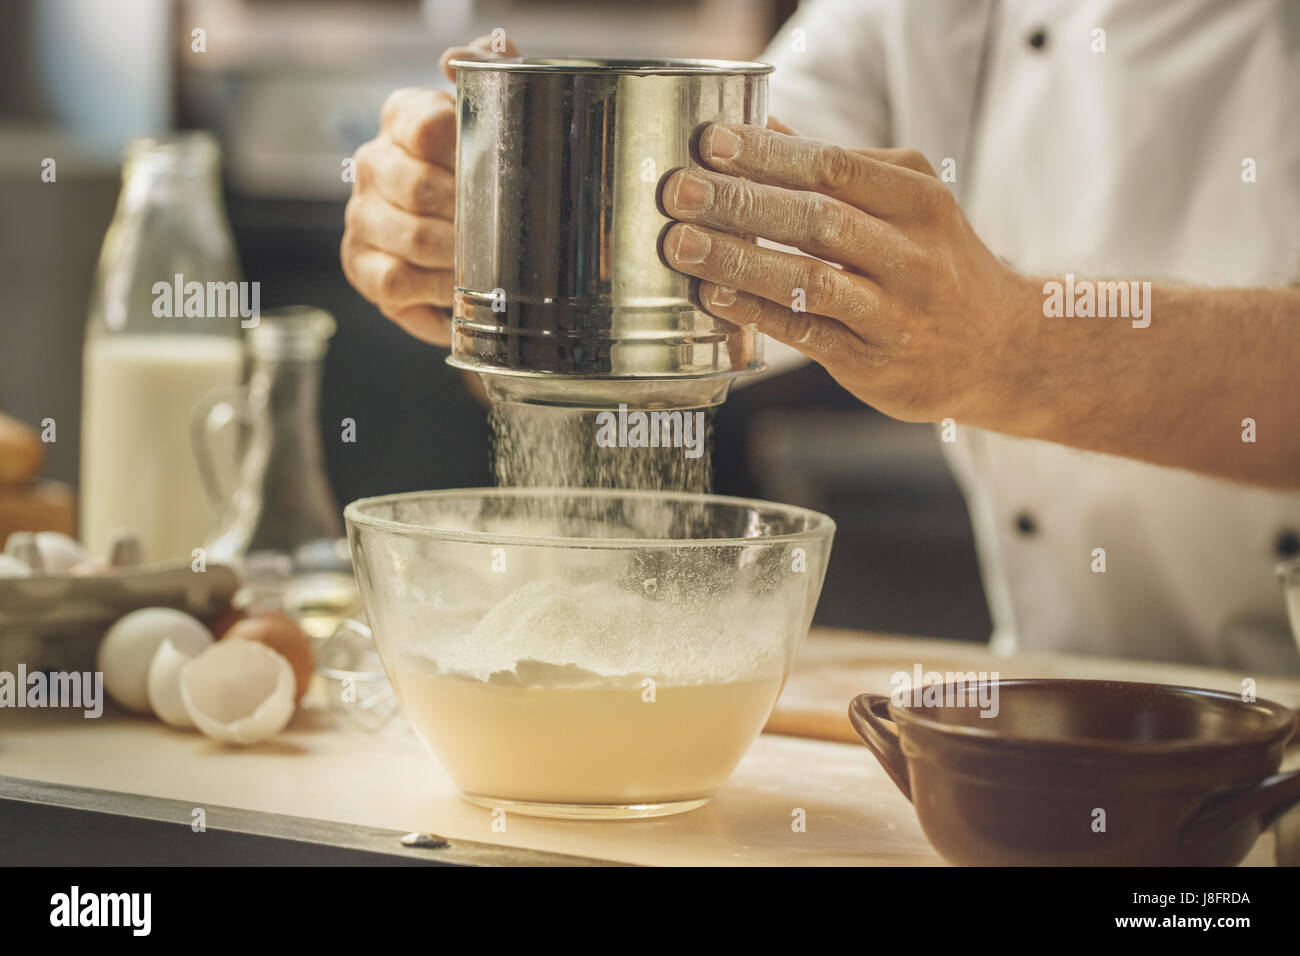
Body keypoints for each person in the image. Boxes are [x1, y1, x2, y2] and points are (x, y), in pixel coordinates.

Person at [340, 2, 1300, 673]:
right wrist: (517, 249)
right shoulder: (909, 15)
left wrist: (1010, 346)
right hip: (1060, 708)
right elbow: (709, 242)